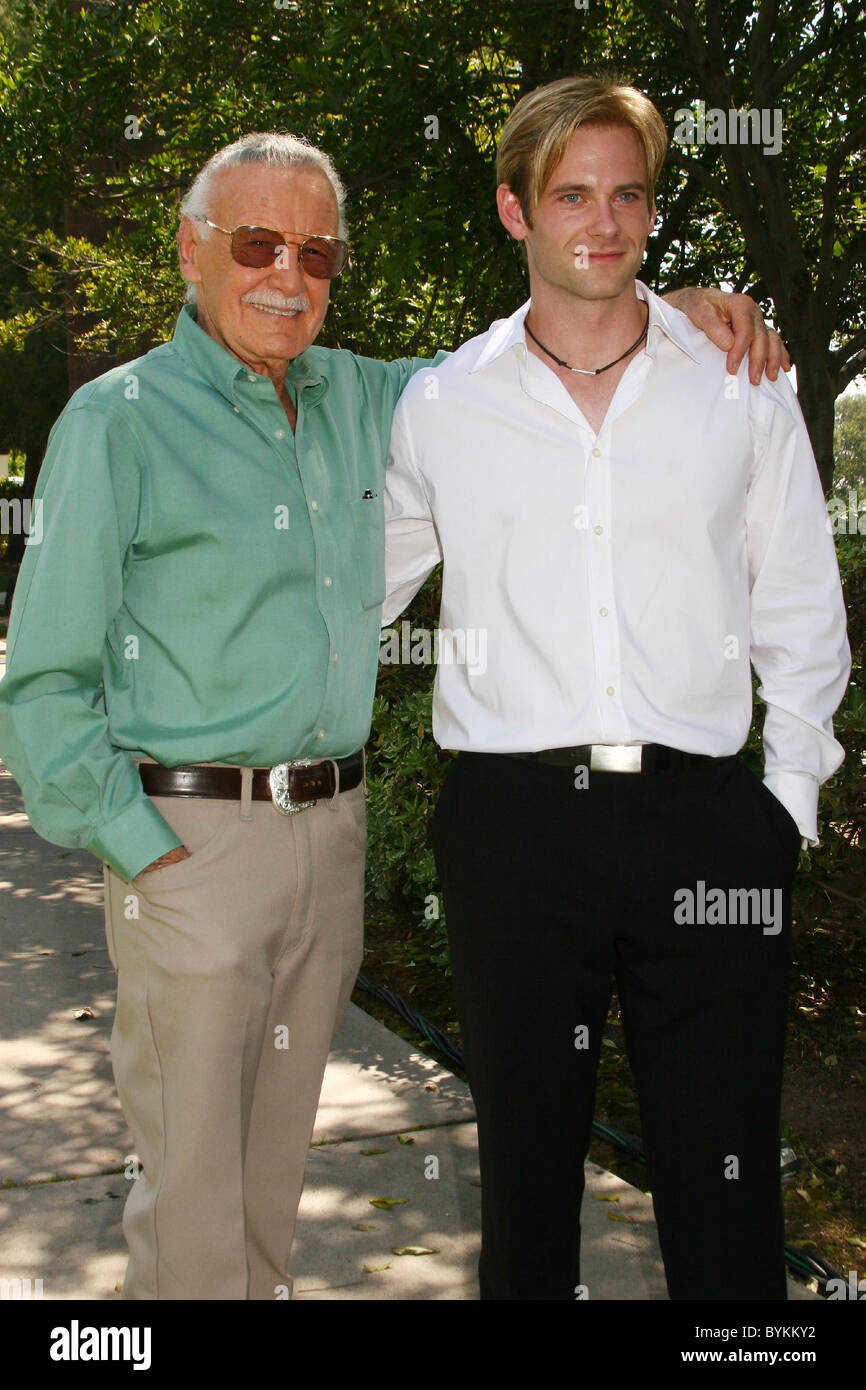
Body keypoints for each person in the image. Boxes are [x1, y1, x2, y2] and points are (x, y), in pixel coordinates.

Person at [0, 128, 788, 1301]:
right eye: (257, 242)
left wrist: (659, 304)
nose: (286, 274)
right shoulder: (118, 422)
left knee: (267, 1182)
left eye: (316, 254)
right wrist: (138, 846)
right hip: (188, 844)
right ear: (190, 250)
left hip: (328, 843)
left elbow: (532, 360)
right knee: (196, 1204)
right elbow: (44, 674)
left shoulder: (373, 397)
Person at [382, 75, 850, 1301]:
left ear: (651, 208)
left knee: (726, 1187)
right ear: (512, 209)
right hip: (512, 827)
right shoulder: (441, 403)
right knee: (525, 1190)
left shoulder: (737, 384)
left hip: (705, 821)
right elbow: (344, 592)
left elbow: (800, 605)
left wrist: (784, 801)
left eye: (627, 194)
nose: (603, 223)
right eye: (571, 194)